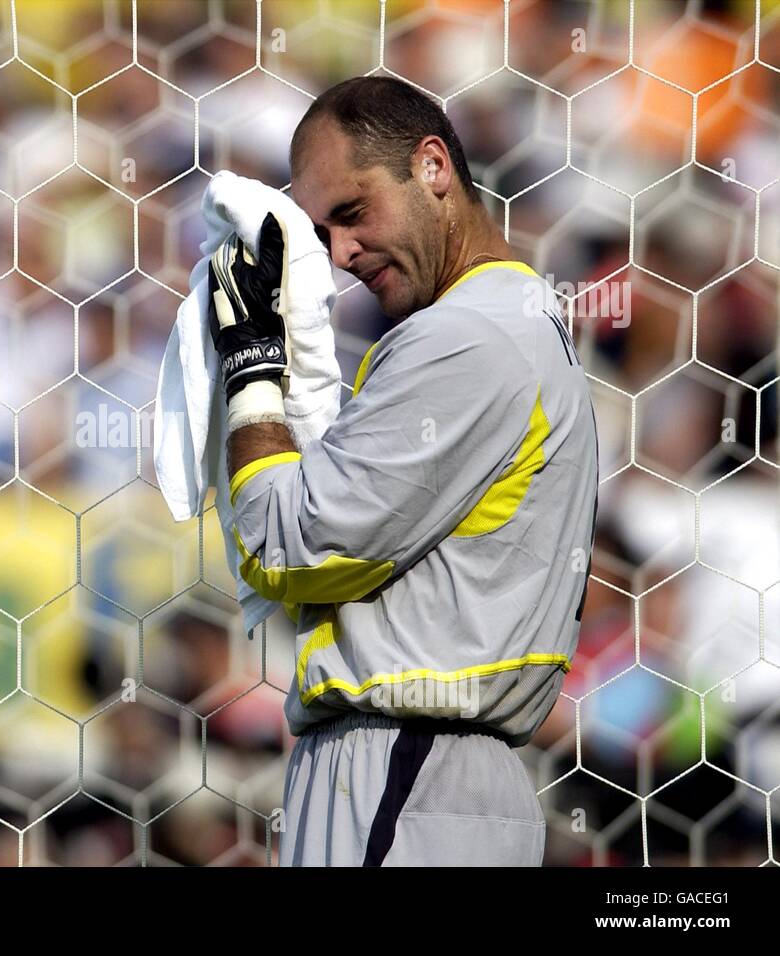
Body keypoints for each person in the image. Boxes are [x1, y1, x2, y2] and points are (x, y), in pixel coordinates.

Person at [207, 76, 598, 865]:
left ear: (432, 167)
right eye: (320, 233)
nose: (340, 255)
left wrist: (252, 375)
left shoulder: (465, 338)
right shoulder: (511, 324)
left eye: (351, 214)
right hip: (431, 772)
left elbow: (289, 549)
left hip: (403, 769)